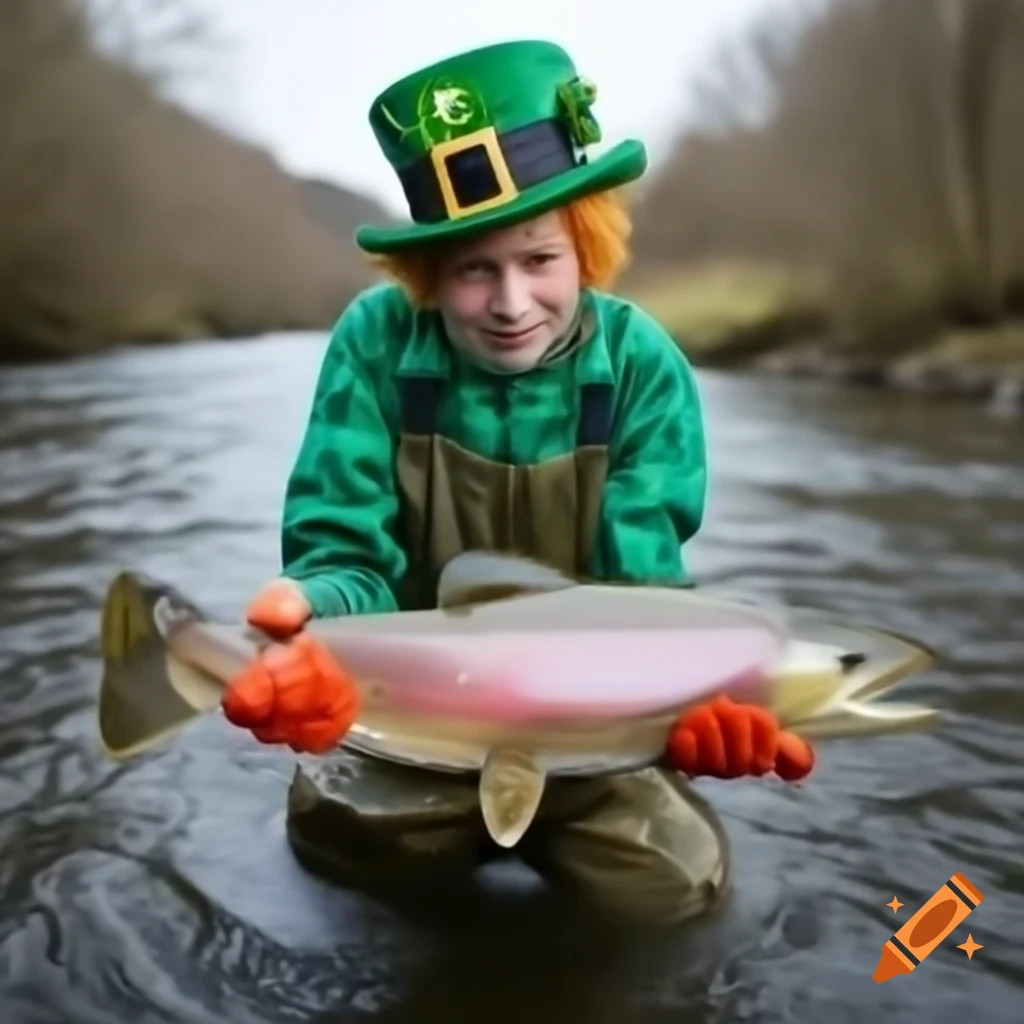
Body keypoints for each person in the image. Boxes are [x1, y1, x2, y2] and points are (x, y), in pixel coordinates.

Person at [220, 39, 815, 924]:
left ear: (586, 245)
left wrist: (684, 711)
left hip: (591, 735)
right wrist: (315, 629)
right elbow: (347, 557)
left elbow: (640, 594)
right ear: (429, 274)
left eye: (538, 261)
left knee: (675, 897)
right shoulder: (375, 343)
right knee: (359, 868)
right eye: (473, 269)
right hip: (409, 722)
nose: (510, 303)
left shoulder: (642, 364)